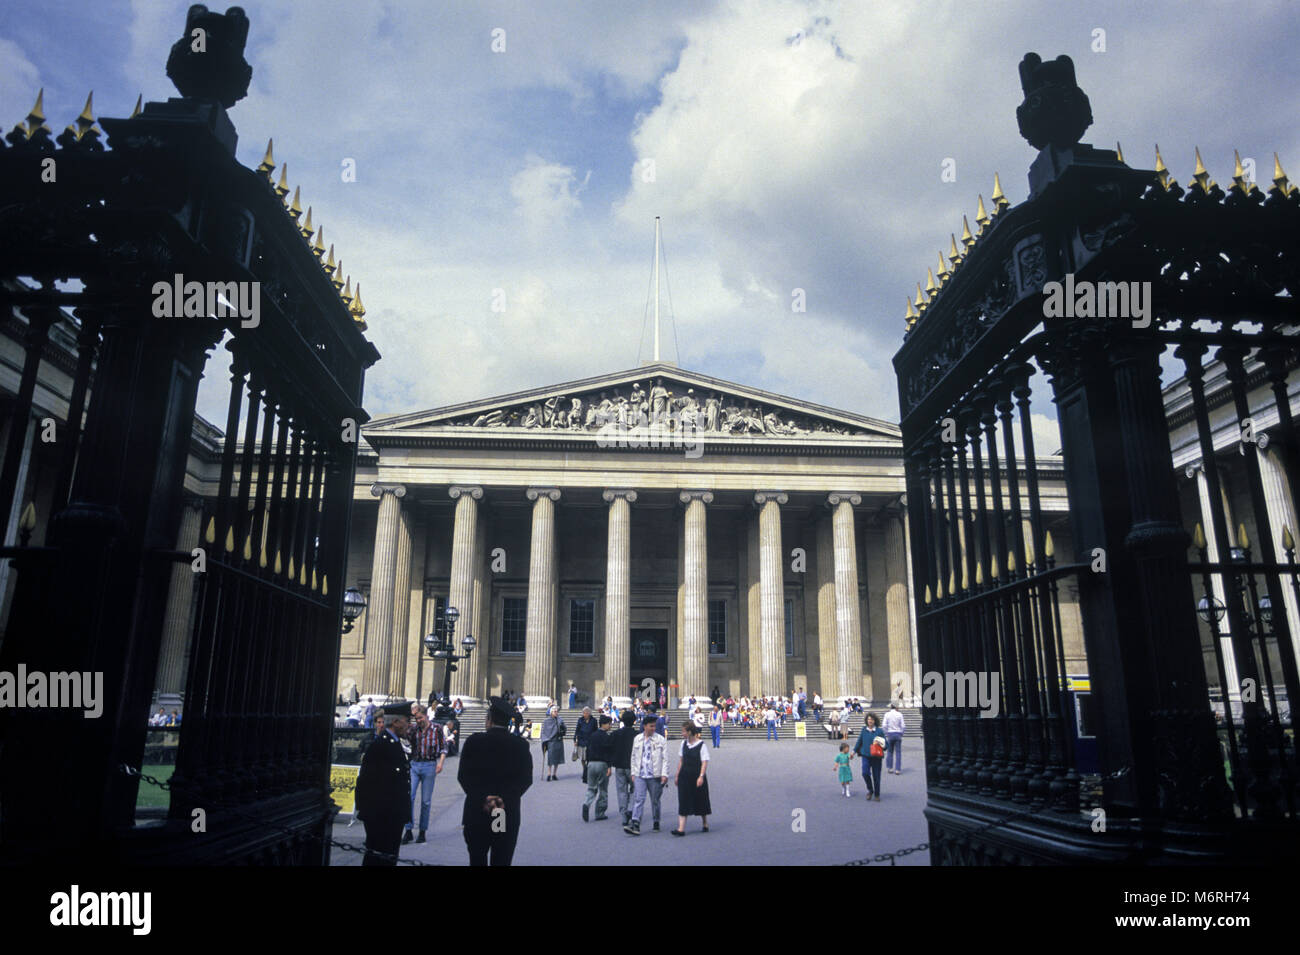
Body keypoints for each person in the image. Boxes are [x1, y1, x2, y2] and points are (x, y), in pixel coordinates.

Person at [458, 697, 533, 866]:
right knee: (501, 858)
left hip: (477, 811)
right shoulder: (520, 745)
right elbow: (525, 780)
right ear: (508, 723)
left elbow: (463, 776)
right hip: (502, 813)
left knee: (477, 859)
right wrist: (501, 800)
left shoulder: (473, 742)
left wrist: (484, 798)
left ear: (489, 720)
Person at [355, 700, 412, 865]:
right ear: (396, 722)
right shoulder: (381, 745)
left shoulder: (392, 743)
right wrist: (370, 816)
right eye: (407, 721)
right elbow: (365, 781)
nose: (409, 725)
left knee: (387, 859)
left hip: (391, 816)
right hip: (382, 818)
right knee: (378, 859)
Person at [403, 704, 447, 845]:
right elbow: (404, 737)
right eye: (416, 719)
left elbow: (443, 748)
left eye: (420, 718)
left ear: (426, 716)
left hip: (429, 765)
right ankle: (408, 830)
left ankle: (422, 831)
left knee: (426, 801)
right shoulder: (414, 729)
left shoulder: (437, 729)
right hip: (415, 764)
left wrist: (440, 763)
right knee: (409, 797)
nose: (419, 721)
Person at [625, 712, 669, 835]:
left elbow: (665, 758)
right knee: (639, 799)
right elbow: (633, 757)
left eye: (654, 726)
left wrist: (664, 774)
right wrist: (633, 773)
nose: (653, 728)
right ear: (644, 726)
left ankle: (656, 820)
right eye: (651, 726)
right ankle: (635, 824)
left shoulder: (660, 739)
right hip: (640, 774)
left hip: (654, 775)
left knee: (655, 800)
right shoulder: (637, 739)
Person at [671, 721, 712, 836]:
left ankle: (704, 822)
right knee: (683, 800)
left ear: (689, 732)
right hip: (684, 776)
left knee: (701, 799)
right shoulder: (683, 744)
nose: (682, 734)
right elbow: (681, 761)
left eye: (683, 731)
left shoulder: (701, 745)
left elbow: (704, 762)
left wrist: (701, 776)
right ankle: (681, 829)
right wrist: (677, 775)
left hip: (697, 775)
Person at [582, 714, 615, 822]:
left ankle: (587, 803)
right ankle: (600, 813)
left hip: (591, 763)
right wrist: (609, 766)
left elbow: (587, 750)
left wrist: (587, 763)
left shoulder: (592, 735)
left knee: (591, 787)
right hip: (602, 764)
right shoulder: (606, 737)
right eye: (609, 724)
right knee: (603, 789)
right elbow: (608, 753)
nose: (610, 726)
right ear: (603, 724)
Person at [610, 710, 638, 827]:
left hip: (619, 766)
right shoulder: (638, 735)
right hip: (633, 767)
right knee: (634, 790)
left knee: (621, 791)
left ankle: (623, 816)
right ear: (634, 721)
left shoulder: (615, 734)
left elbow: (610, 749)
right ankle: (631, 809)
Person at [853, 712, 887, 801]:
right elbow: (859, 741)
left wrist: (880, 743)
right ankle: (870, 789)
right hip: (866, 755)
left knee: (876, 776)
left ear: (875, 720)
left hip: (876, 756)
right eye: (868, 719)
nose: (870, 721)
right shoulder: (864, 730)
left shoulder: (879, 731)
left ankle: (877, 794)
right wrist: (853, 752)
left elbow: (886, 744)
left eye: (871, 719)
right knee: (865, 773)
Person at [539, 705, 566, 781]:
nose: (556, 713)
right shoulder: (546, 721)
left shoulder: (560, 720)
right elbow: (544, 731)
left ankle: (554, 774)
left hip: (559, 740)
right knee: (550, 758)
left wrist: (563, 730)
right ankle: (549, 774)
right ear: (551, 712)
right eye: (554, 711)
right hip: (551, 741)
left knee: (557, 757)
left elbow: (564, 728)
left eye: (557, 711)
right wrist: (544, 740)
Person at [573, 706, 599, 783]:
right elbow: (577, 730)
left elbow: (596, 730)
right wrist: (575, 739)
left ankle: (588, 771)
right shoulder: (580, 720)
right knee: (583, 758)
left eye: (586, 713)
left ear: (589, 713)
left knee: (589, 758)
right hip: (581, 741)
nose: (585, 714)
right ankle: (585, 770)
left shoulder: (594, 720)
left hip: (590, 742)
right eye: (584, 713)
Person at [883, 703, 905, 774]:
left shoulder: (887, 714)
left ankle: (890, 768)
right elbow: (903, 726)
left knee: (890, 751)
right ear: (896, 707)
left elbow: (884, 725)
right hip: (898, 733)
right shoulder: (900, 714)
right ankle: (897, 769)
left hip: (890, 733)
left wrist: (886, 733)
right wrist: (901, 733)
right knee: (898, 752)